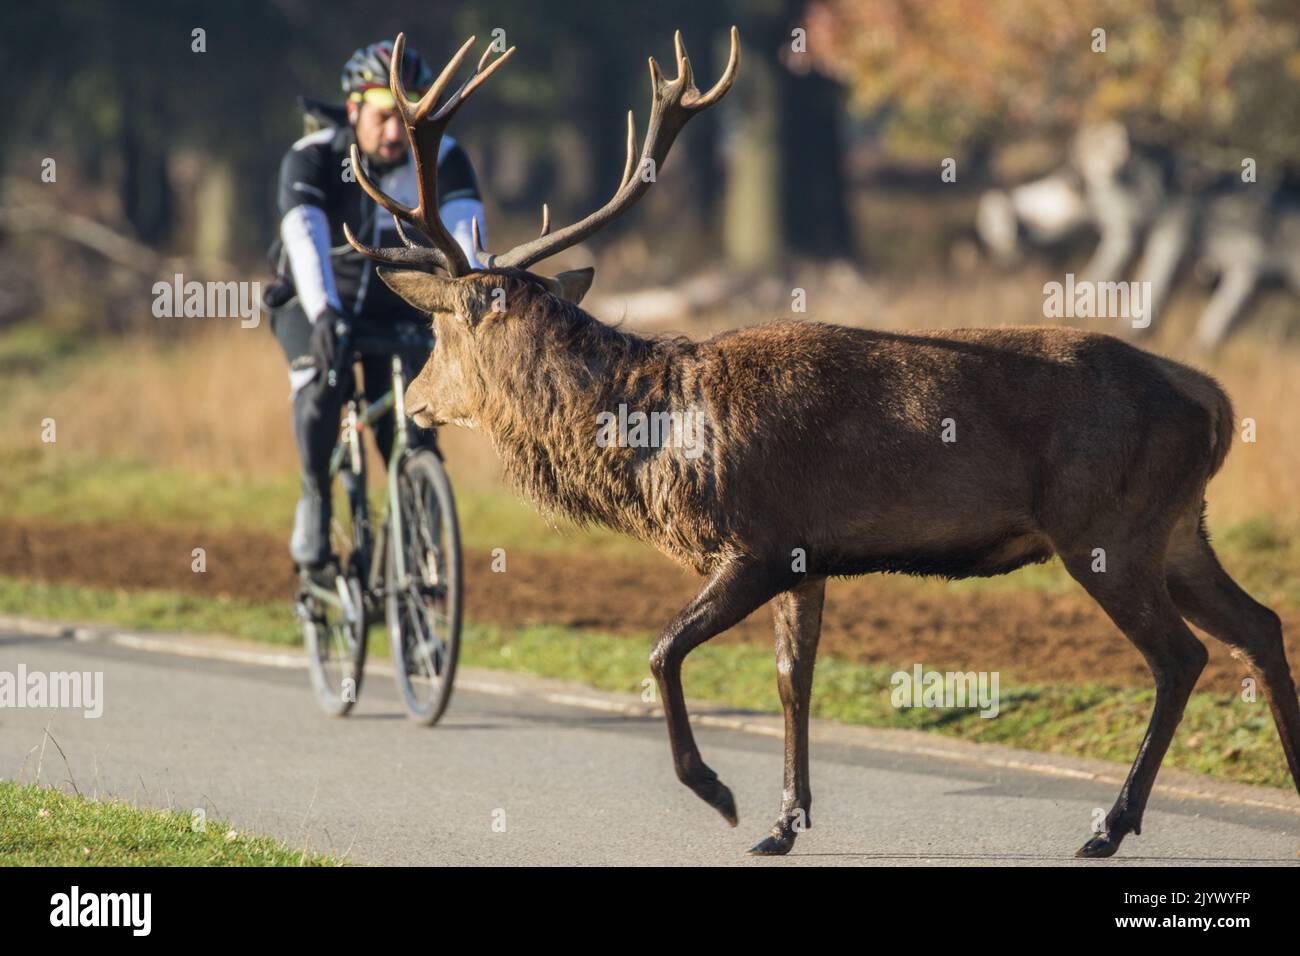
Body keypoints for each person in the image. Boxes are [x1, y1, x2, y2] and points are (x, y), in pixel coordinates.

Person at [264, 39, 486, 581]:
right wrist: (321, 315)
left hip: (402, 316)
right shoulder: (313, 157)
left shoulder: (446, 159)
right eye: (387, 116)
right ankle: (316, 499)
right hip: (315, 304)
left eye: (410, 118)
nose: (397, 133)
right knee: (323, 384)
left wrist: (474, 310)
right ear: (356, 109)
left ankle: (420, 547)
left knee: (414, 424)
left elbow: (468, 250)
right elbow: (305, 240)